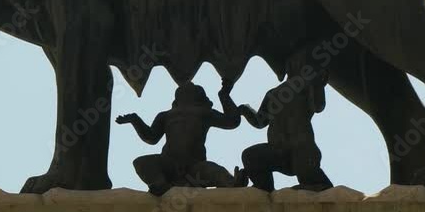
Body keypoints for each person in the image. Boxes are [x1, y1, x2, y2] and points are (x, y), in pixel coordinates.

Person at [222, 53, 333, 192]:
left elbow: (318, 106)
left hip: (302, 148)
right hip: (278, 150)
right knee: (250, 156)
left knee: (308, 172)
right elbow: (260, 121)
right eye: (294, 62)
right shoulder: (273, 93)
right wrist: (244, 109)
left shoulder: (307, 87)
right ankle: (264, 189)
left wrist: (318, 84)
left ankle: (320, 185)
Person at [117, 81, 248, 195]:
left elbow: (232, 121)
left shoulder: (204, 113)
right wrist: (136, 121)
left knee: (213, 170)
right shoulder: (165, 115)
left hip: (194, 167)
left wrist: (224, 95)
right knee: (142, 162)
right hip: (168, 164)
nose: (188, 88)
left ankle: (232, 183)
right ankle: (160, 184)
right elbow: (151, 137)